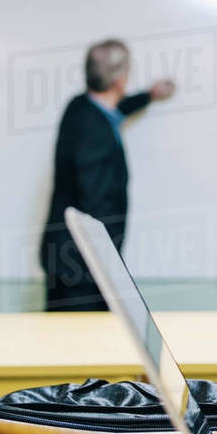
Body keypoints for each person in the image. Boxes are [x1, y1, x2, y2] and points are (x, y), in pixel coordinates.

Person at [39, 38, 174, 311]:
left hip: (69, 260)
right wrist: (112, 272)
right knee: (80, 349)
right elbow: (96, 205)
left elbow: (113, 110)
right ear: (120, 80)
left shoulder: (79, 107)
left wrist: (148, 95)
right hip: (82, 268)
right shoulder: (94, 131)